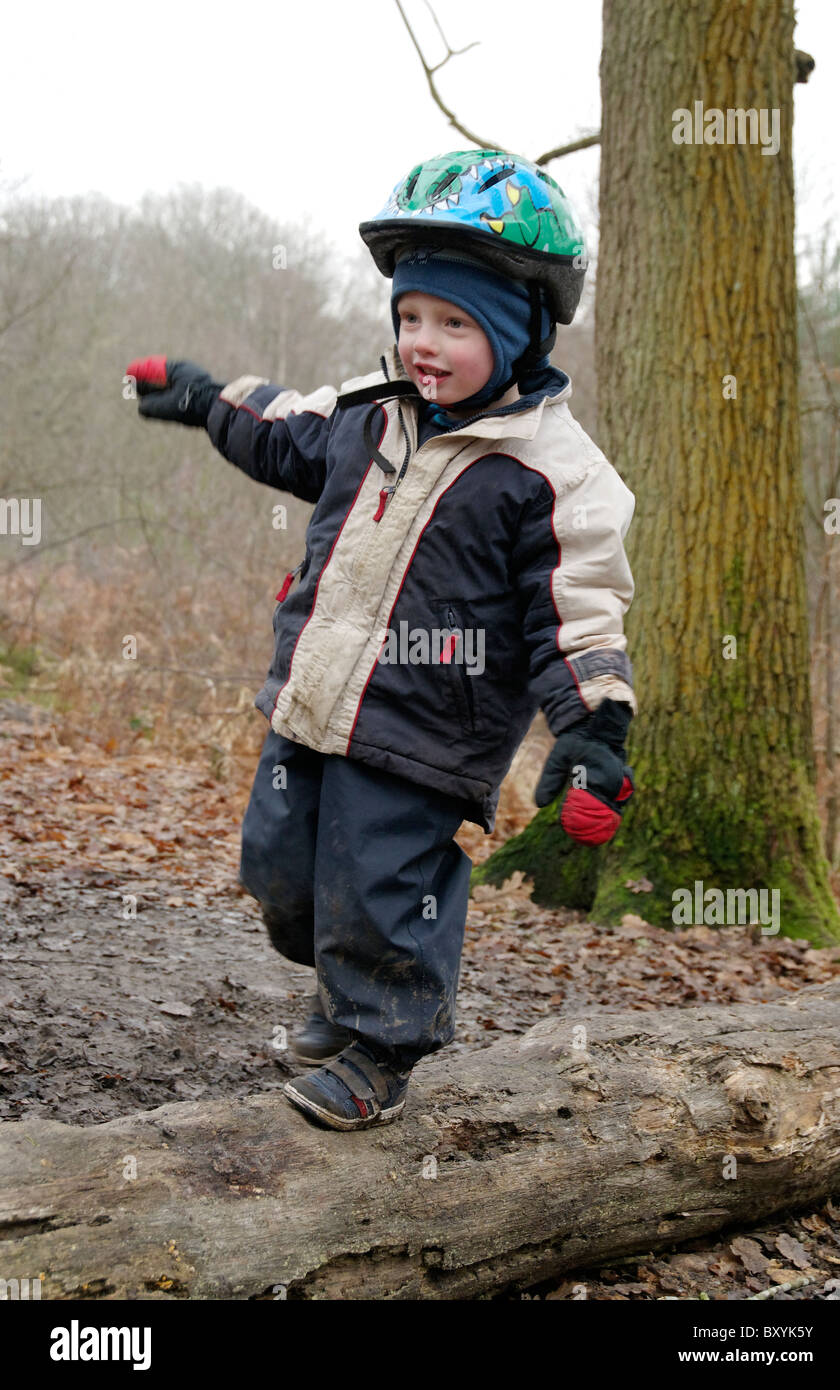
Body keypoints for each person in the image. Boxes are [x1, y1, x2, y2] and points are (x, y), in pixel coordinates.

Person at [125, 148, 637, 1132]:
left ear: (523, 328)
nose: (422, 343)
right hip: (315, 698)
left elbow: (578, 609)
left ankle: (381, 1048)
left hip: (427, 735)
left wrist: (593, 734)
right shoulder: (369, 413)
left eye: (453, 323)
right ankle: (341, 980)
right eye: (409, 317)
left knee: (380, 889)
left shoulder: (550, 476)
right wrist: (201, 398)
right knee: (279, 869)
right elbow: (280, 425)